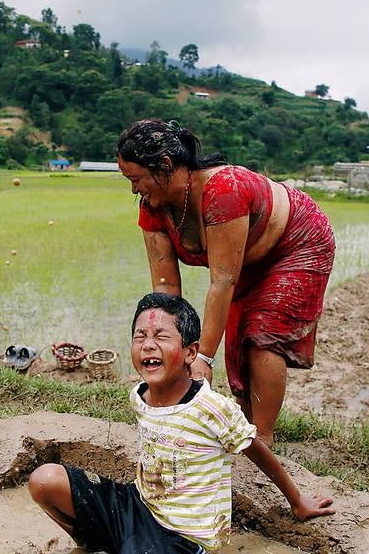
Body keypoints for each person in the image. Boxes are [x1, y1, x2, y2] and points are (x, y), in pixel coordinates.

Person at [28, 293, 334, 554]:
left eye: (161, 337)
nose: (148, 345)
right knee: (44, 480)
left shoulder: (211, 409)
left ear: (190, 353)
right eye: (140, 336)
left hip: (178, 538)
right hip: (136, 507)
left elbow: (254, 447)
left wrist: (297, 499)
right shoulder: (140, 395)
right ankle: (104, 545)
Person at [117, 119, 336, 447]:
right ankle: (245, 420)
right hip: (247, 259)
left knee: (262, 335)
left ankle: (262, 438)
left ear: (164, 165)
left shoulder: (223, 190)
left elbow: (222, 281)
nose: (134, 189)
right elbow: (166, 290)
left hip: (297, 243)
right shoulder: (153, 209)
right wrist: (170, 348)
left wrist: (202, 359)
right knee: (236, 344)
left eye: (136, 179)